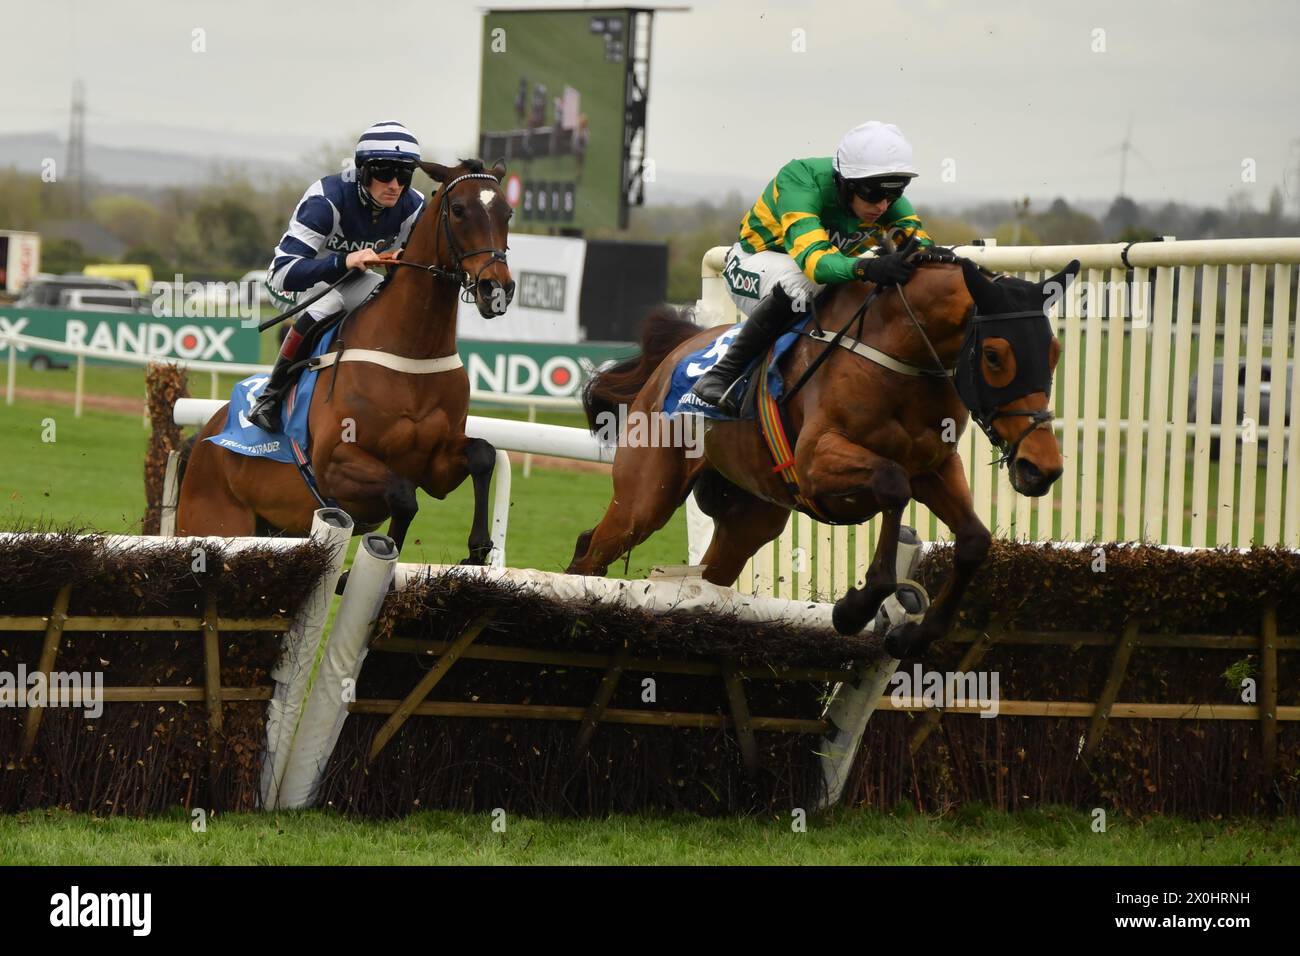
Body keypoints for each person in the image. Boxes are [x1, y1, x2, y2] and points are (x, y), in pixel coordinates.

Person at [689, 121, 934, 414]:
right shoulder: (801, 180)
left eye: (893, 194)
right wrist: (869, 268)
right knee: (803, 283)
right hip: (753, 264)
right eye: (873, 195)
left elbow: (922, 250)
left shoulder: (879, 194)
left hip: (816, 269)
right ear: (846, 183)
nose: (883, 206)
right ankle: (723, 374)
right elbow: (816, 264)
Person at [246, 120, 426, 432]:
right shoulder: (327, 199)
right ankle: (271, 396)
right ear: (363, 172)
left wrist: (402, 259)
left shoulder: (414, 206)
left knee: (391, 302)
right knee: (327, 305)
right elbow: (288, 271)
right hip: (293, 279)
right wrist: (344, 261)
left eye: (404, 174)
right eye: (384, 173)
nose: (395, 184)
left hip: (348, 278)